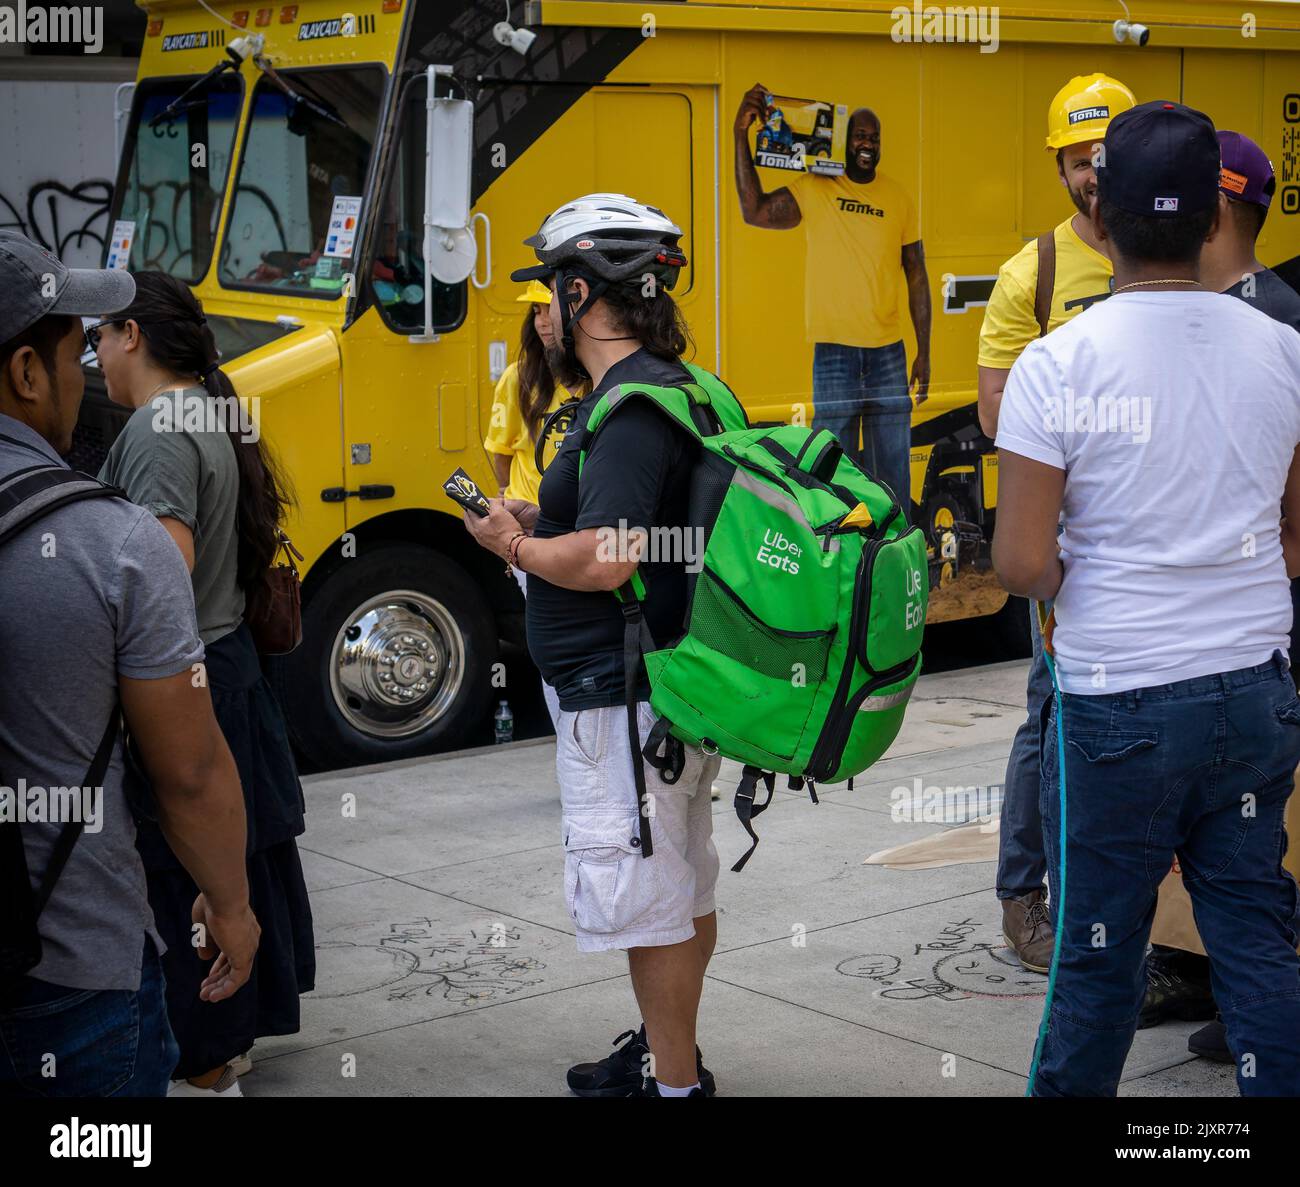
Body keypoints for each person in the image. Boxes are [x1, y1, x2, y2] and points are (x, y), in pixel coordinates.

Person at [994, 100, 1300, 1096]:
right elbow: (1296, 531)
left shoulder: (1056, 363)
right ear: (1212, 221)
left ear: (1103, 217)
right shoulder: (1282, 350)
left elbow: (1019, 560)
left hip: (1117, 700)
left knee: (1096, 953)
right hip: (1254, 692)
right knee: (1257, 937)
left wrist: (1094, 580)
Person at [464, 194, 722, 1097]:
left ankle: (675, 1086)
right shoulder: (684, 383)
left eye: (549, 288)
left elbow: (611, 558)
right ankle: (665, 1053)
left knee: (649, 903)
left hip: (623, 699)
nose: (544, 308)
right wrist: (545, 515)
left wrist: (517, 546)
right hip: (672, 688)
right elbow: (640, 529)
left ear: (580, 292)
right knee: (681, 888)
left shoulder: (628, 406)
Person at [0, 232, 257, 1097]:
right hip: (69, 967)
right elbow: (187, 772)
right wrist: (231, 903)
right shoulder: (107, 541)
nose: (88, 363)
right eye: (78, 344)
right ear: (27, 375)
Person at [92, 272, 314, 1098]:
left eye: (100, 337)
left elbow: (161, 572)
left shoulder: (157, 427)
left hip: (189, 672)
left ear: (134, 336)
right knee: (224, 859)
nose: (96, 354)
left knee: (180, 868)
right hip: (224, 665)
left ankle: (209, 1061)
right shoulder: (201, 411)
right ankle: (226, 1045)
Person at [976, 72, 1136, 974]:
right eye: (1079, 161)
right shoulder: (1030, 275)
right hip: (1067, 540)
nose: (1093, 176)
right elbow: (999, 416)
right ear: (1061, 167)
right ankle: (1024, 898)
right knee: (1050, 709)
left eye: (1107, 156)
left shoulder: (1179, 252)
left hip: (1149, 530)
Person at [1146, 130, 1300, 1062]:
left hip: (1252, 632)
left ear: (1217, 207)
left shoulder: (1271, 317)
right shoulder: (1232, 308)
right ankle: (1229, 990)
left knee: (1258, 840)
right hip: (1229, 634)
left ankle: (1253, 1009)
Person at [733, 84, 929, 516]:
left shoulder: (898, 198)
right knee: (832, 467)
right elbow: (755, 210)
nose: (867, 144)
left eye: (874, 138)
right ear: (845, 139)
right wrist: (740, 136)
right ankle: (837, 557)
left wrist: (924, 352)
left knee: (893, 468)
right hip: (835, 353)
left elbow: (916, 274)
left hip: (888, 355)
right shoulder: (817, 187)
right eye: (859, 135)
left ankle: (896, 555)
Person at [483, 279, 582, 729]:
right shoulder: (519, 378)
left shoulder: (593, 378)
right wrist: (517, 503)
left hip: (587, 529)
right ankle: (570, 743)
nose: (542, 320)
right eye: (535, 312)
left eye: (548, 309)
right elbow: (500, 452)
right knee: (555, 647)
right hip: (536, 534)